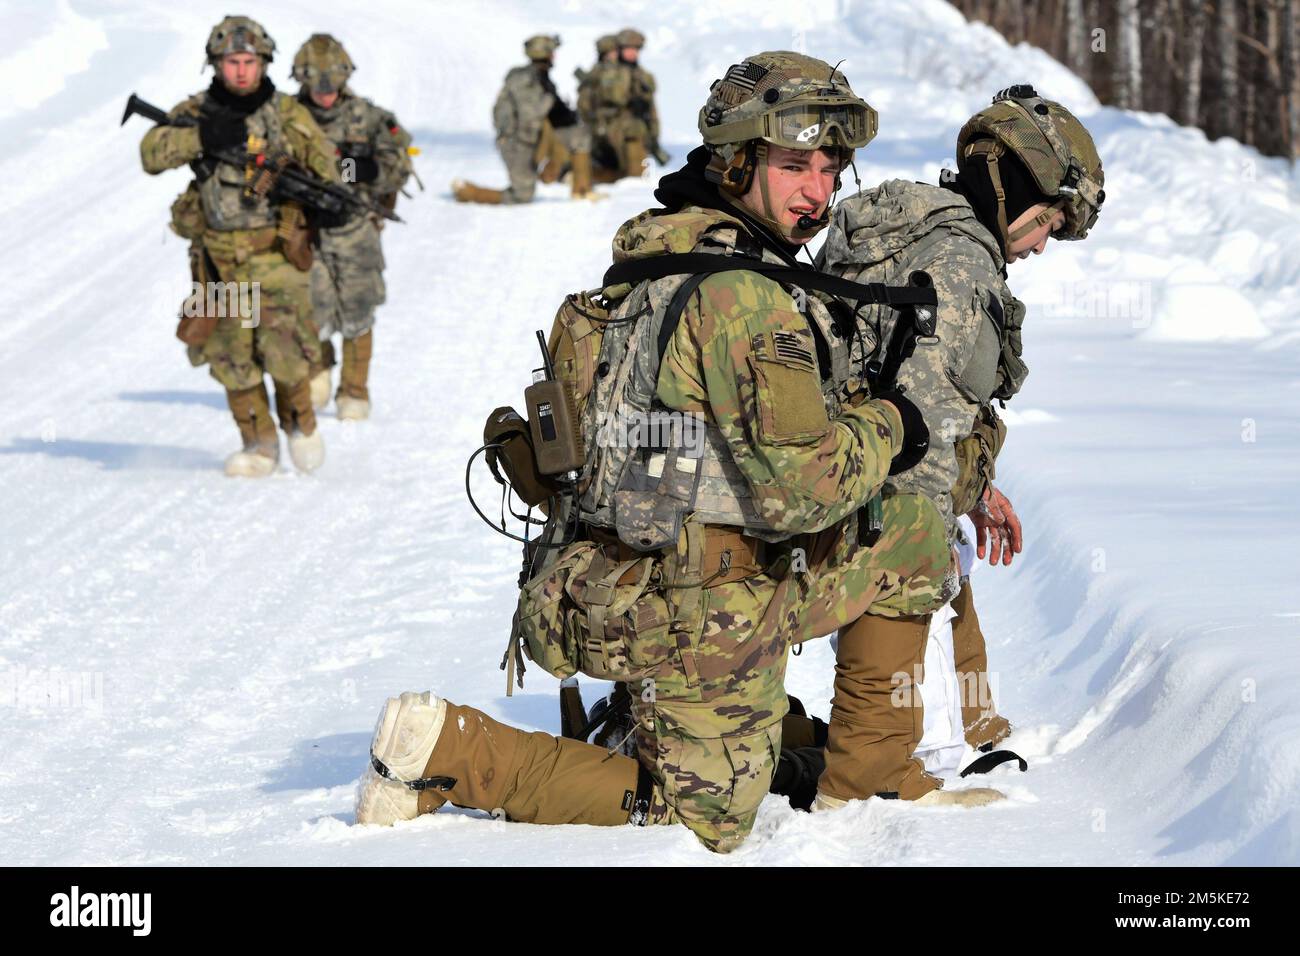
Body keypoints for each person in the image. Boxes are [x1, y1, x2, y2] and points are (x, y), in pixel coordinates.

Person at [354, 52, 938, 853]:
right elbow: (800, 494)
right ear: (735, 163)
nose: (819, 190)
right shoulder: (743, 296)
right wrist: (894, 422)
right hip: (692, 610)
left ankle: (682, 724)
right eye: (796, 164)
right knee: (703, 823)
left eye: (831, 168)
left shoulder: (642, 266)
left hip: (598, 588)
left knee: (895, 527)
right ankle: (455, 751)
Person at [801, 85, 1105, 810]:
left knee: (945, 537)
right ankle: (921, 757)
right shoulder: (964, 266)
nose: (1039, 246)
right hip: (865, 509)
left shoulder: (899, 214)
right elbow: (924, 455)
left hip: (828, 464)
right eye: (1048, 223)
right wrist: (941, 531)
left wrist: (978, 490)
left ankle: (971, 723)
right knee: (930, 551)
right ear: (1017, 191)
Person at [139, 15, 340, 476]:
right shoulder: (198, 110)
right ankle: (259, 445)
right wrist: (202, 137)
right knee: (231, 359)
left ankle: (301, 427)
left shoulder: (285, 112)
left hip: (275, 257)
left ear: (264, 62)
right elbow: (151, 153)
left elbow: (331, 163)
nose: (242, 71)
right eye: (233, 61)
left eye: (249, 61)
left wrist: (327, 193)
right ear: (217, 63)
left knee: (288, 356)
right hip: (217, 261)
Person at [292, 34, 412, 421]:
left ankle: (355, 391)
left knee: (359, 311)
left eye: (332, 83)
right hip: (305, 230)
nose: (325, 93)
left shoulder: (368, 117)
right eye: (316, 83)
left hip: (356, 229)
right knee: (311, 310)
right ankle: (317, 372)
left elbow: (401, 163)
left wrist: (369, 169)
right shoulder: (287, 117)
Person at [452, 35, 594, 204]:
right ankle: (466, 191)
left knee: (580, 137)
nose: (554, 56)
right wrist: (550, 100)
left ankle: (581, 191)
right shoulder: (525, 78)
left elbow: (558, 114)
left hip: (534, 138)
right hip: (517, 143)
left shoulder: (542, 78)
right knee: (522, 195)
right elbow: (531, 115)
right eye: (552, 52)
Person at [591, 27, 666, 180]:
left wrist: (654, 134)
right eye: (628, 49)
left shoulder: (644, 75)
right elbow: (607, 99)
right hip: (610, 130)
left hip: (637, 130)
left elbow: (652, 109)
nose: (632, 53)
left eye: (635, 49)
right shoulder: (608, 72)